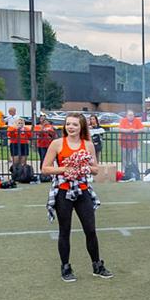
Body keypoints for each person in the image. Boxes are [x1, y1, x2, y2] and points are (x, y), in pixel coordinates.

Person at [42, 112, 108, 281]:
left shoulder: (87, 145)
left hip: (82, 189)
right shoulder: (57, 144)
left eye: (75, 124)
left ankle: (97, 265)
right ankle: (65, 267)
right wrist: (66, 168)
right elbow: (45, 168)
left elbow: (95, 169)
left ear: (81, 127)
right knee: (65, 230)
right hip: (63, 191)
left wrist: (82, 166)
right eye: (68, 124)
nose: (70, 127)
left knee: (90, 230)